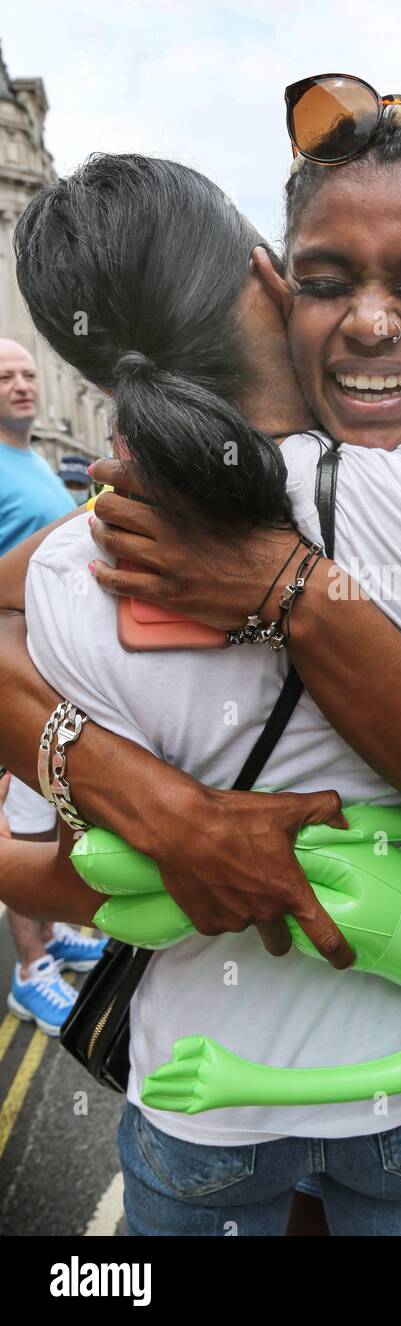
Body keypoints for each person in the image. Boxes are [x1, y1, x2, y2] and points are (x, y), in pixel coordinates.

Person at [0, 140, 401, 1235]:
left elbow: (59, 877)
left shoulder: (70, 574)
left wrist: (178, 836)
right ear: (268, 276)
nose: (369, 320)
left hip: (203, 1099)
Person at [0, 337, 104, 1034]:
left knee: (52, 817)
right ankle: (29, 970)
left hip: (50, 680)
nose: (20, 385)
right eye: (3, 376)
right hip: (14, 682)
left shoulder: (32, 458)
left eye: (27, 373)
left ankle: (55, 935)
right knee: (20, 828)